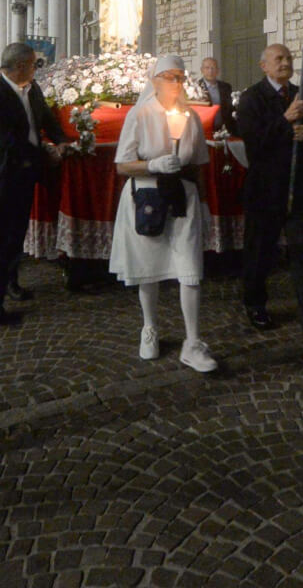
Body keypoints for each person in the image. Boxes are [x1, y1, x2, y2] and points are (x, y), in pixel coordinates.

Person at [233, 43, 303, 354]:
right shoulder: (251, 98)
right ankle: (255, 302)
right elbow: (253, 145)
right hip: (266, 191)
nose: (285, 63)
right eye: (278, 59)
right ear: (264, 66)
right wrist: (285, 122)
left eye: (288, 58)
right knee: (260, 252)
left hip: (300, 191)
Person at [109, 55, 218, 373]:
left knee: (190, 267)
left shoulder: (190, 116)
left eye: (181, 77)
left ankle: (193, 342)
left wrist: (205, 204)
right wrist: (152, 165)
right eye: (170, 77)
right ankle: (150, 327)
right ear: (155, 80)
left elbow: (198, 163)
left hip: (182, 198)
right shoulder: (139, 114)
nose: (177, 83)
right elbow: (122, 165)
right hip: (146, 197)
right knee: (149, 265)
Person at [0, 42, 71, 325]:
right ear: (18, 67)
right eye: (32, 64)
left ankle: (12, 282)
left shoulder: (33, 89)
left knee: (16, 234)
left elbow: (47, 120)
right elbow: (7, 141)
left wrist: (61, 140)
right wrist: (45, 154)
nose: (35, 68)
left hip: (23, 175)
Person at [197, 56, 235, 134]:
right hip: (204, 130)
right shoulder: (196, 88)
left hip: (224, 130)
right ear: (202, 70)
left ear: (218, 70)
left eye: (213, 68)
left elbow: (230, 109)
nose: (210, 71)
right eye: (207, 68)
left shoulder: (226, 87)